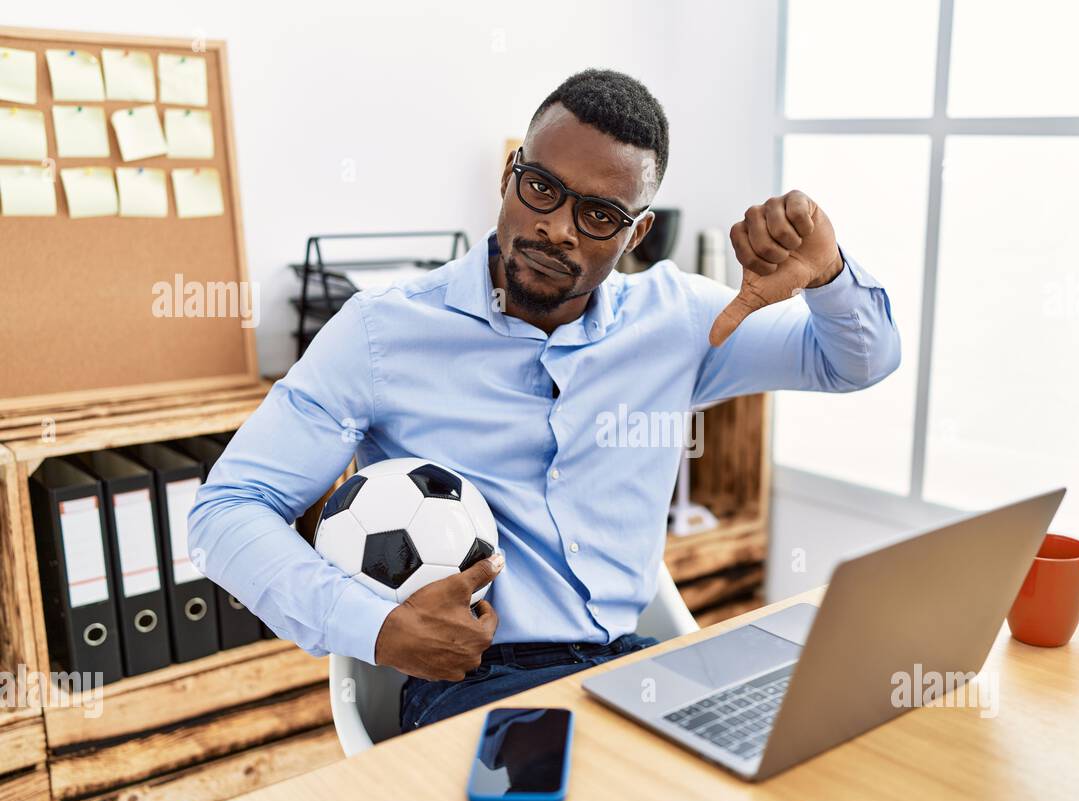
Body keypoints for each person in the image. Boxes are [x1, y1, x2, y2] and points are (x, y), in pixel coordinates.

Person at [188, 68, 901, 733]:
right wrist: (376, 628)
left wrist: (829, 275)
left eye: (598, 215)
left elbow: (854, 362)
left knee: (805, 754)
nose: (557, 227)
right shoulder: (381, 332)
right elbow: (226, 512)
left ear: (636, 232)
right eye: (541, 189)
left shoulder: (679, 320)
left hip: (635, 664)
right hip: (478, 684)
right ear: (510, 178)